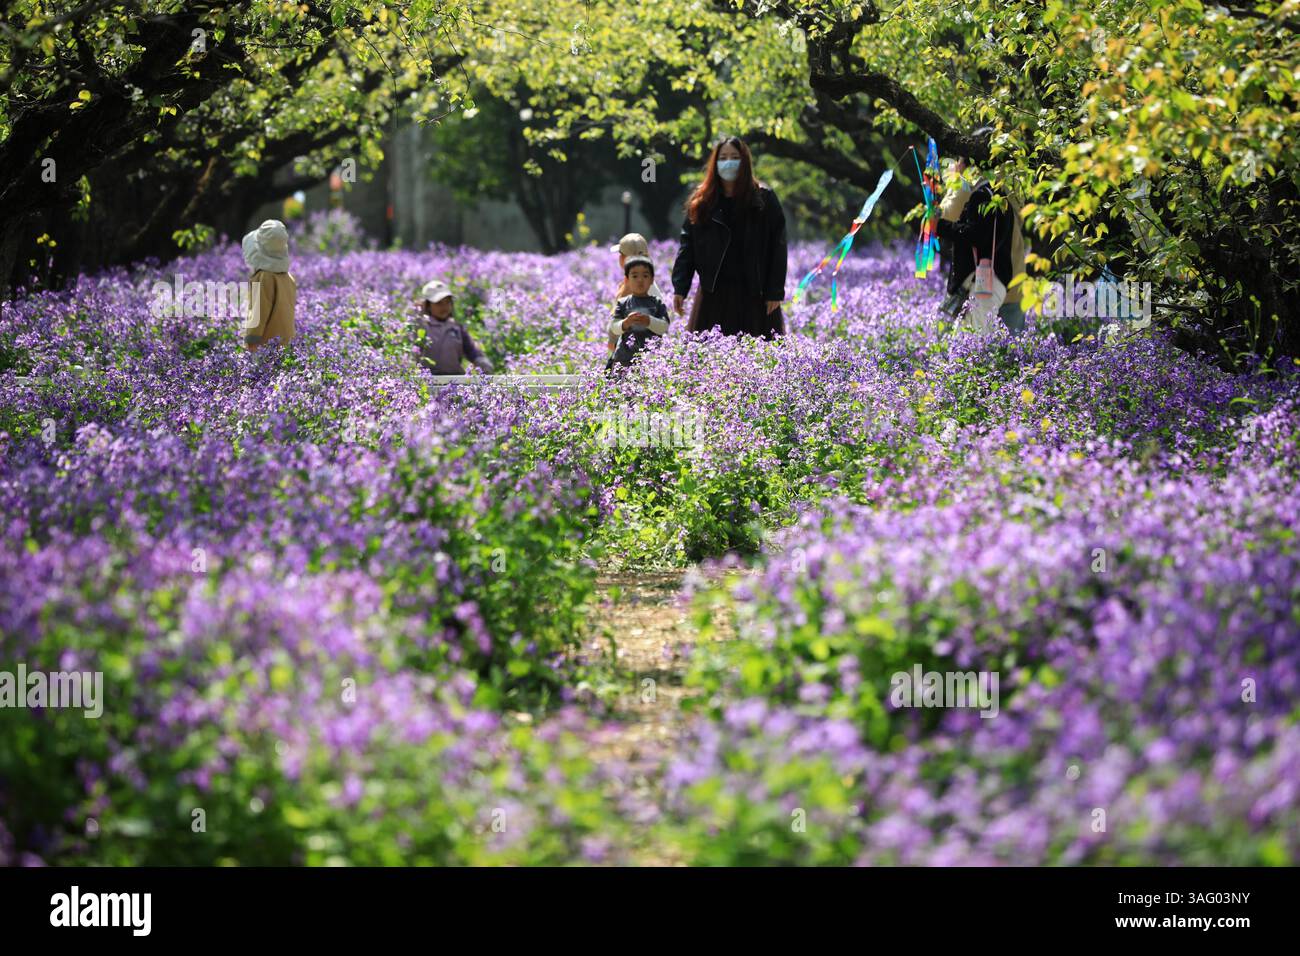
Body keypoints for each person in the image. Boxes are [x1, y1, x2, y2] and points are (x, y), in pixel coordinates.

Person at [670, 136, 787, 339]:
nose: (728, 162)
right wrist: (681, 287)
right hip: (713, 293)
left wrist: (775, 291)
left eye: (734, 157)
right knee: (708, 360)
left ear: (745, 161)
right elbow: (687, 246)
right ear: (715, 163)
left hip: (754, 293)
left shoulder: (764, 199)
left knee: (758, 358)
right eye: (723, 157)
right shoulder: (702, 201)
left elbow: (778, 246)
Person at [935, 131, 1026, 334]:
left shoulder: (977, 192)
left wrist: (953, 187)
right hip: (1012, 279)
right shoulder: (1010, 186)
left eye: (959, 160)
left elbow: (952, 220)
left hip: (984, 281)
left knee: (970, 344)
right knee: (1011, 351)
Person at [412, 280, 493, 375]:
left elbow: (471, 351)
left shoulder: (456, 327)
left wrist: (483, 363)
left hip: (455, 381)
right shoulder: (420, 326)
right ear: (428, 305)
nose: (444, 307)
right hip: (427, 382)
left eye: (447, 302)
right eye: (439, 303)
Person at [606, 256, 670, 371]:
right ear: (626, 280)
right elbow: (614, 327)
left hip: (652, 358)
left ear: (651, 280)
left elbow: (664, 326)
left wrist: (649, 321)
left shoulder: (657, 302)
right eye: (635, 276)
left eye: (645, 276)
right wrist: (626, 322)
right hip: (625, 358)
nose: (640, 280)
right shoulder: (623, 303)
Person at [607, 233, 666, 356]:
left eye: (620, 254)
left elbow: (618, 320)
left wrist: (612, 342)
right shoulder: (647, 281)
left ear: (623, 259)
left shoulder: (632, 287)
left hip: (633, 352)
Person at [241, 220, 296, 351]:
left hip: (266, 343)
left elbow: (258, 312)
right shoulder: (288, 278)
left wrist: (251, 339)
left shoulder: (264, 277)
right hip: (286, 340)